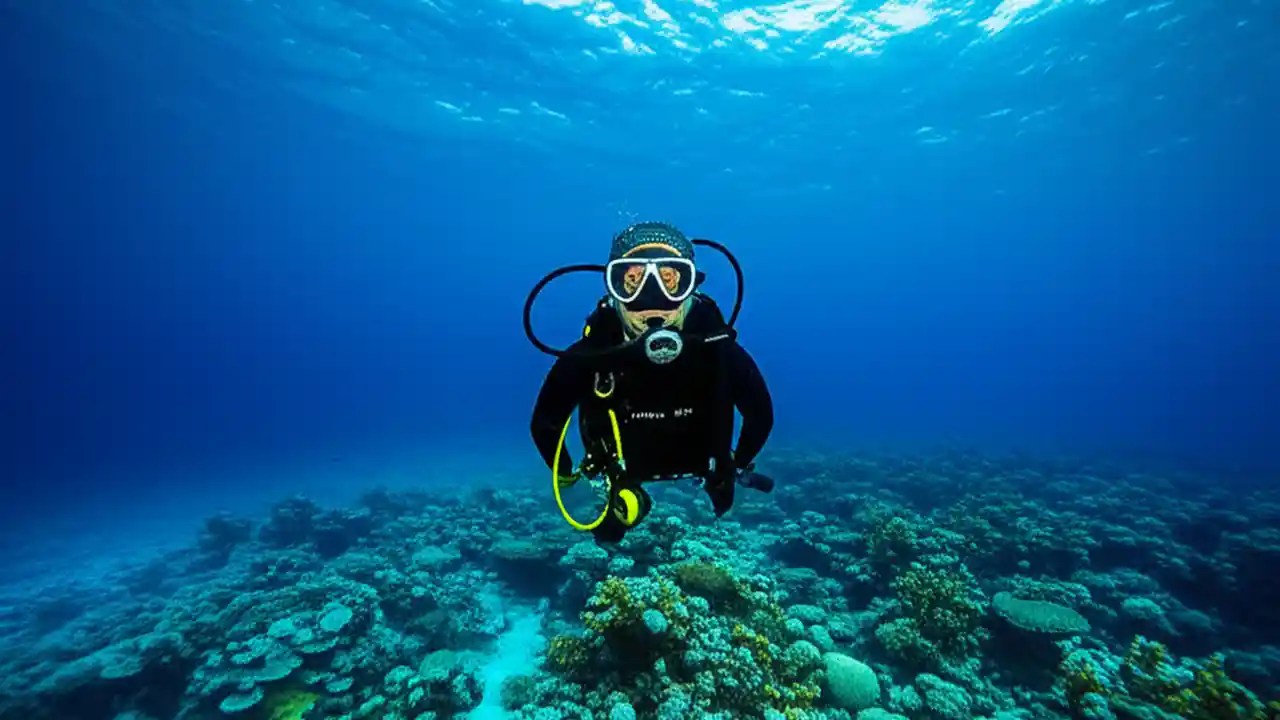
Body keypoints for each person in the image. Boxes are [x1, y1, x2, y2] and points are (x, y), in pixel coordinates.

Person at [524, 221, 775, 543]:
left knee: (721, 495)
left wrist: (733, 464)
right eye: (633, 280)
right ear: (613, 288)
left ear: (690, 286)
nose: (652, 298)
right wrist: (567, 473)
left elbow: (760, 414)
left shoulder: (718, 351)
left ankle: (714, 483)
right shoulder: (591, 356)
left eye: (669, 279)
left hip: (707, 462)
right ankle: (624, 499)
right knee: (611, 532)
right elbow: (546, 422)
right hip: (620, 469)